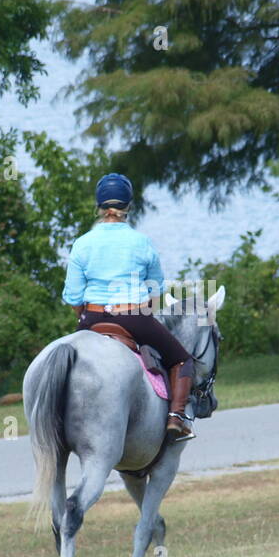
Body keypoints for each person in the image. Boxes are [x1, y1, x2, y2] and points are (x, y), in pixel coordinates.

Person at [62, 173, 195, 441]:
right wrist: (147, 313)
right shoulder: (141, 242)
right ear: (128, 207)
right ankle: (176, 417)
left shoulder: (82, 244)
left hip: (92, 319)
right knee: (182, 359)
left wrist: (86, 317)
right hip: (134, 316)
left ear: (98, 207)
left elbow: (73, 298)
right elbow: (155, 290)